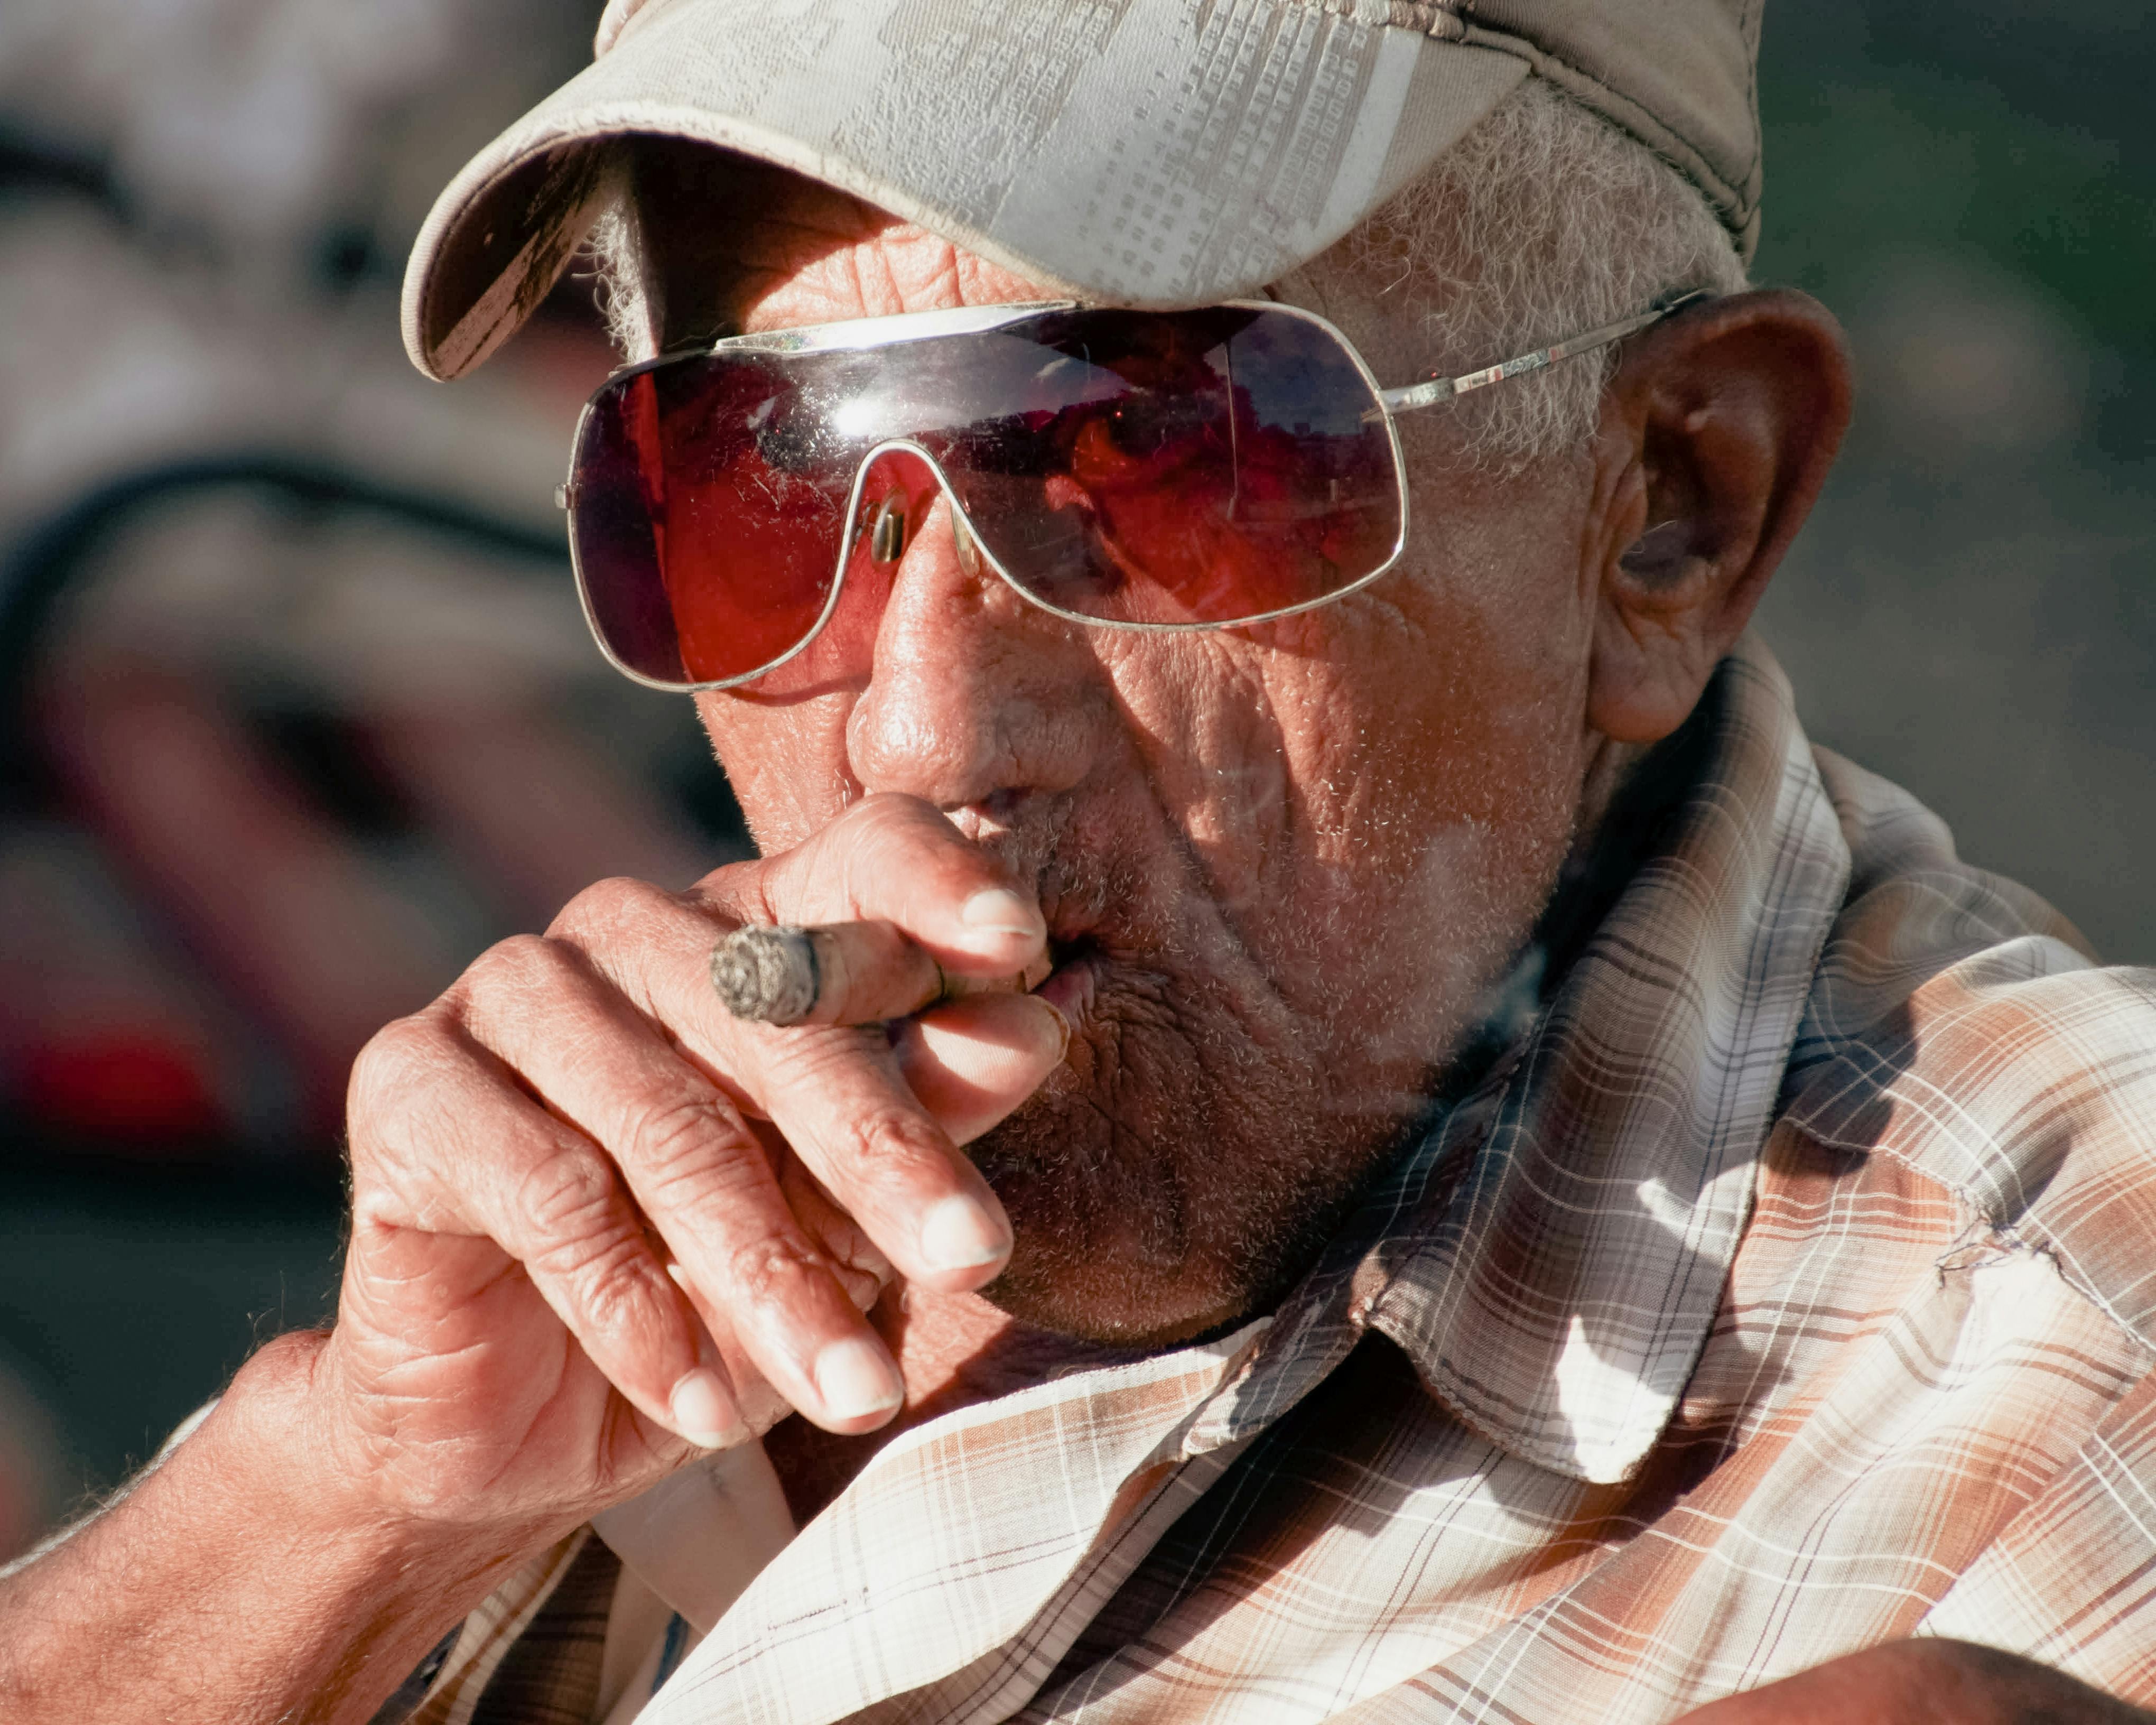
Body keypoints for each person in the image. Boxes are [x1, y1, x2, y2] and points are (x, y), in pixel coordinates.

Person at [4, 1, 2154, 1721]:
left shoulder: (2068, 1401)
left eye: (1159, 462)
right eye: (758, 481)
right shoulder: (572, 1303)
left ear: (1672, 509)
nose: (926, 733)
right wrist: (344, 1498)